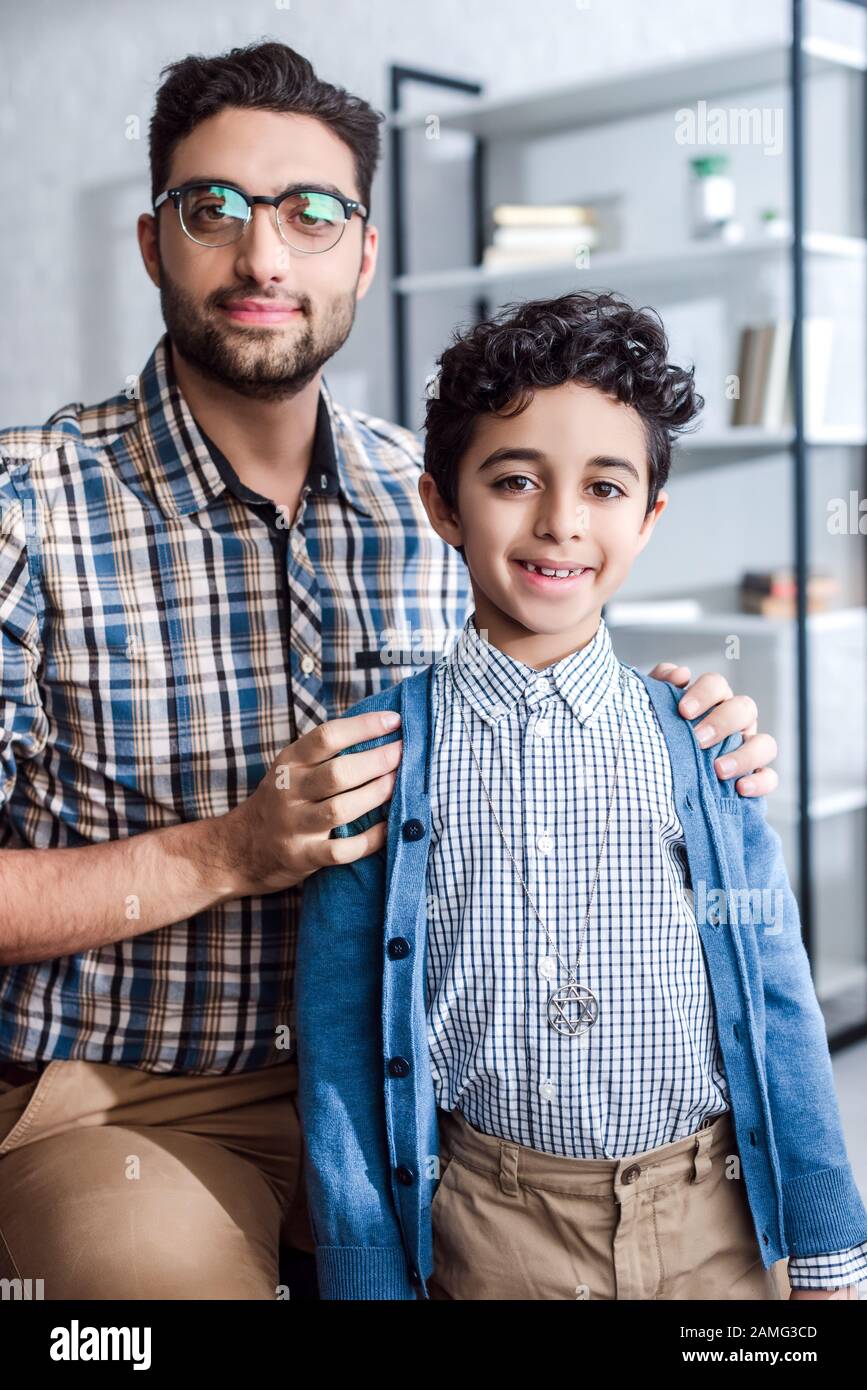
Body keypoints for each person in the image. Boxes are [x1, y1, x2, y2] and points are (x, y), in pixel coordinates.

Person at [0, 43, 779, 1300]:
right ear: (154, 244)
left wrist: (696, 729)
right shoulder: (23, 503)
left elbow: (555, 685)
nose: (265, 259)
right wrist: (231, 849)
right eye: (216, 211)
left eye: (313, 215)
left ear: (362, 255)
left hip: (424, 1092)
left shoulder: (444, 490)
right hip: (134, 1104)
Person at [295, 290, 867, 1301]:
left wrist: (828, 1254)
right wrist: (367, 1279)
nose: (560, 521)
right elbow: (341, 1049)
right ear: (443, 502)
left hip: (715, 1225)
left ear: (648, 518)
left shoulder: (700, 743)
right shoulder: (376, 756)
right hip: (493, 1230)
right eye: (514, 479)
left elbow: (779, 999)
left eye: (605, 487)